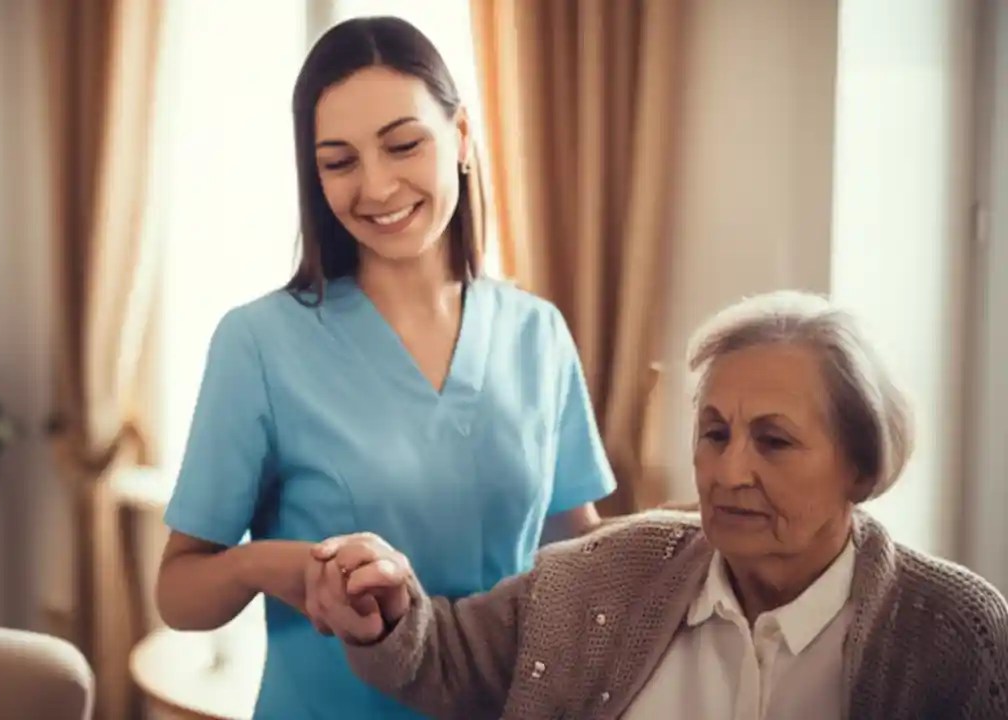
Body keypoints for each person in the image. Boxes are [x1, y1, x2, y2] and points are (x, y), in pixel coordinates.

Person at [155, 16, 616, 720]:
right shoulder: (258, 343)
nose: (375, 187)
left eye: (404, 145)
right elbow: (178, 594)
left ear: (461, 139)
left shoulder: (537, 333)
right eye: (339, 162)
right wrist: (266, 564)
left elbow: (577, 552)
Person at [313, 291, 1008, 720]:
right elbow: (449, 660)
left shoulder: (955, 632)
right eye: (714, 433)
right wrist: (386, 610)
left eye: (774, 442)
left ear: (860, 466)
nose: (729, 471)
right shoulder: (602, 573)